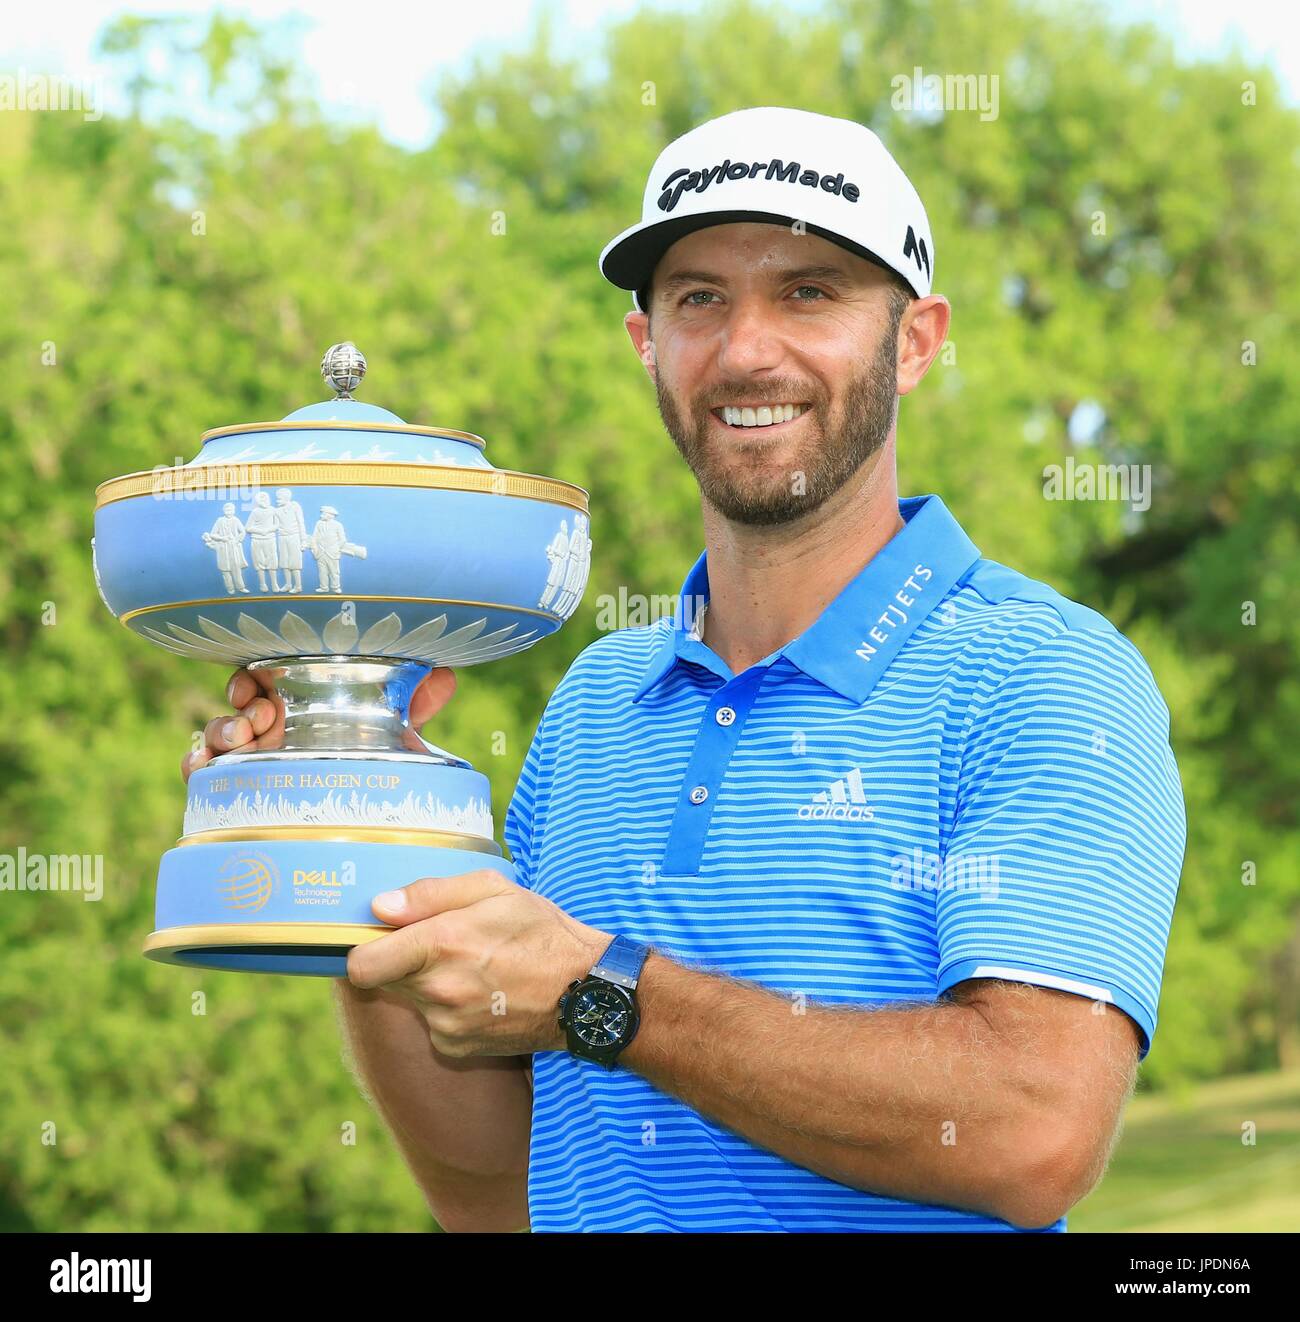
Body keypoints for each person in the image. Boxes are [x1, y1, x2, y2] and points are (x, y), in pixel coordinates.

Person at [182, 107, 1185, 1232]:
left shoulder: (1039, 674)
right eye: (699, 296)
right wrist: (365, 826)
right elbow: (489, 1189)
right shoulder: (594, 702)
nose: (747, 347)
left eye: (808, 291)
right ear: (646, 342)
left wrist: (598, 991)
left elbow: (1030, 1129)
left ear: (914, 340)